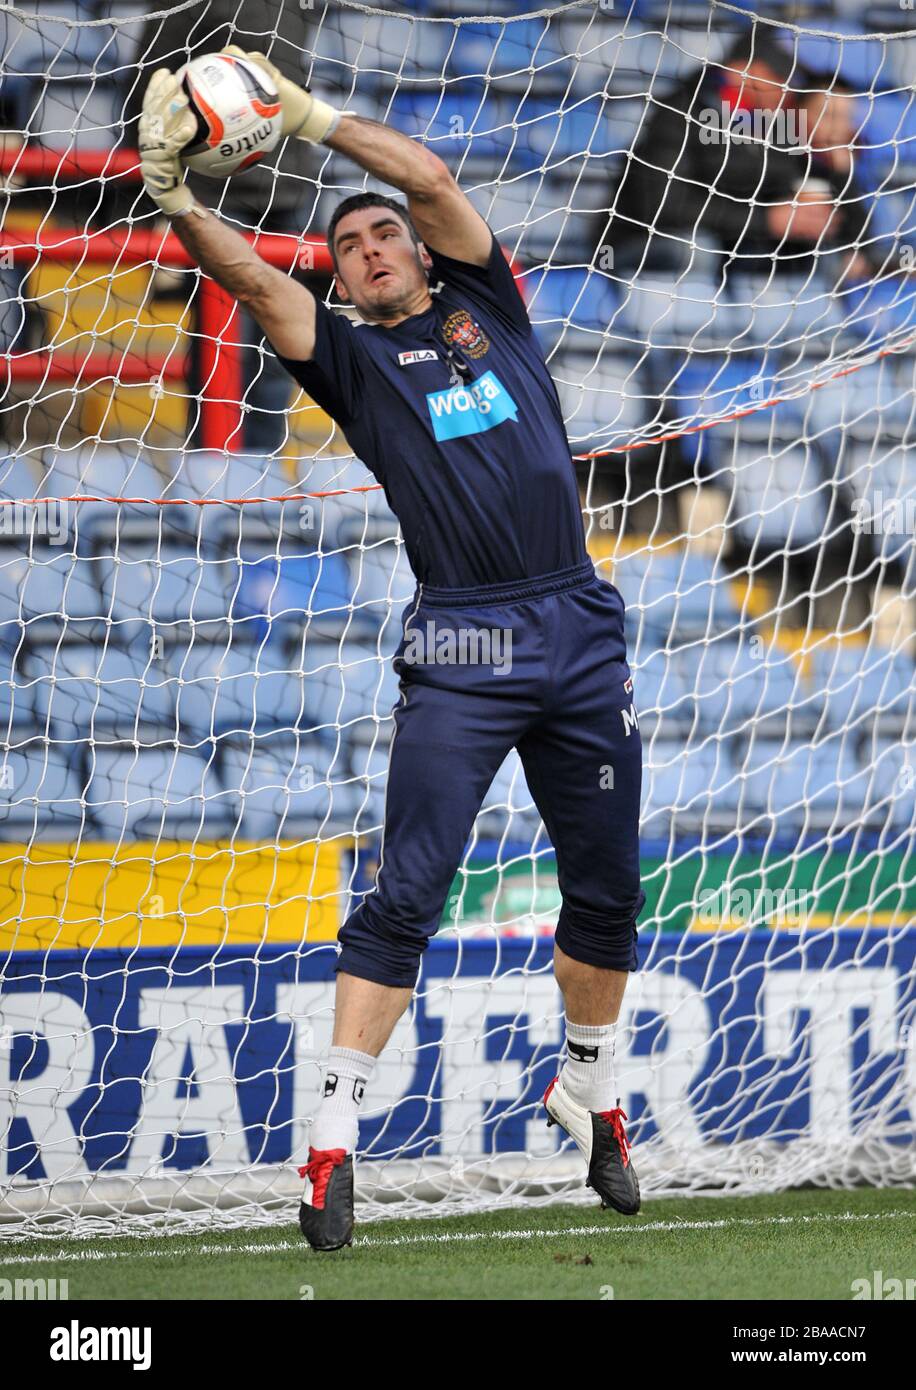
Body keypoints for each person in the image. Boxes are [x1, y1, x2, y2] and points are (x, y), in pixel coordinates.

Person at [138, 49, 645, 1252]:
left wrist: (308, 117)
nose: (368, 249)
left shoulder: (489, 306)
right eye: (347, 246)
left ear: (419, 253)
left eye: (383, 236)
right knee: (407, 892)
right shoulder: (354, 364)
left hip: (577, 623)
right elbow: (253, 282)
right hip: (464, 636)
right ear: (343, 279)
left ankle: (589, 1087)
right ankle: (329, 1141)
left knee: (608, 890)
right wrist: (173, 197)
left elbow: (426, 176)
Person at [126, 1, 318, 454]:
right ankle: (213, 466)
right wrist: (153, 192)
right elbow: (148, 86)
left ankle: (264, 468)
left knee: (282, 343)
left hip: (291, 189)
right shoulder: (183, 5)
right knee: (224, 343)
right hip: (217, 195)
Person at [601, 31, 837, 279]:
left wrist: (831, 175)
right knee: (698, 249)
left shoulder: (775, 123)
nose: (787, 90)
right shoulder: (679, 112)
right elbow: (664, 206)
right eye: (779, 79)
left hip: (733, 242)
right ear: (743, 72)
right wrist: (765, 220)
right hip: (640, 241)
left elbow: (787, 184)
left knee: (821, 255)